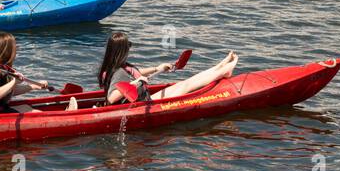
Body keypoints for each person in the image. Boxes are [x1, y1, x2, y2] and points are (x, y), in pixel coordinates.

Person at [97, 32, 238, 106]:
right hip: (143, 102)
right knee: (187, 84)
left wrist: (157, 68)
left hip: (142, 99)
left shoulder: (113, 66)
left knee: (185, 84)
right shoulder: (119, 72)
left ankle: (221, 66)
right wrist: (136, 82)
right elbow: (112, 97)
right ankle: (223, 69)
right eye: (129, 46)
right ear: (121, 51)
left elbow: (134, 71)